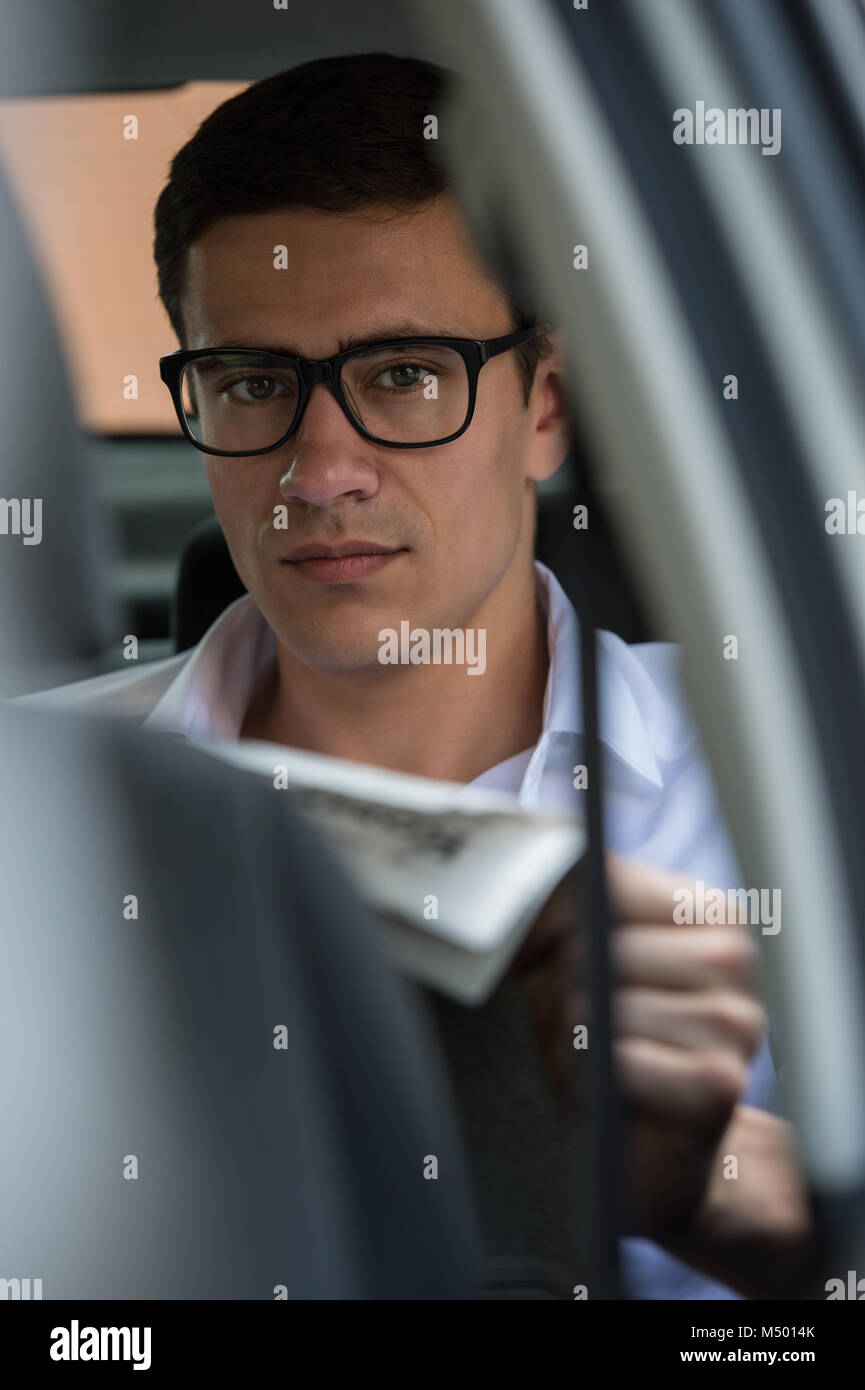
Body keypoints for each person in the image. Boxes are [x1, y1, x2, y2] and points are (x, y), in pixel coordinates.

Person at [15, 52, 812, 1299]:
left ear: (543, 406)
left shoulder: (798, 773)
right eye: (254, 383)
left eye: (401, 374)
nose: (320, 470)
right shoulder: (36, 813)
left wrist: (713, 1182)